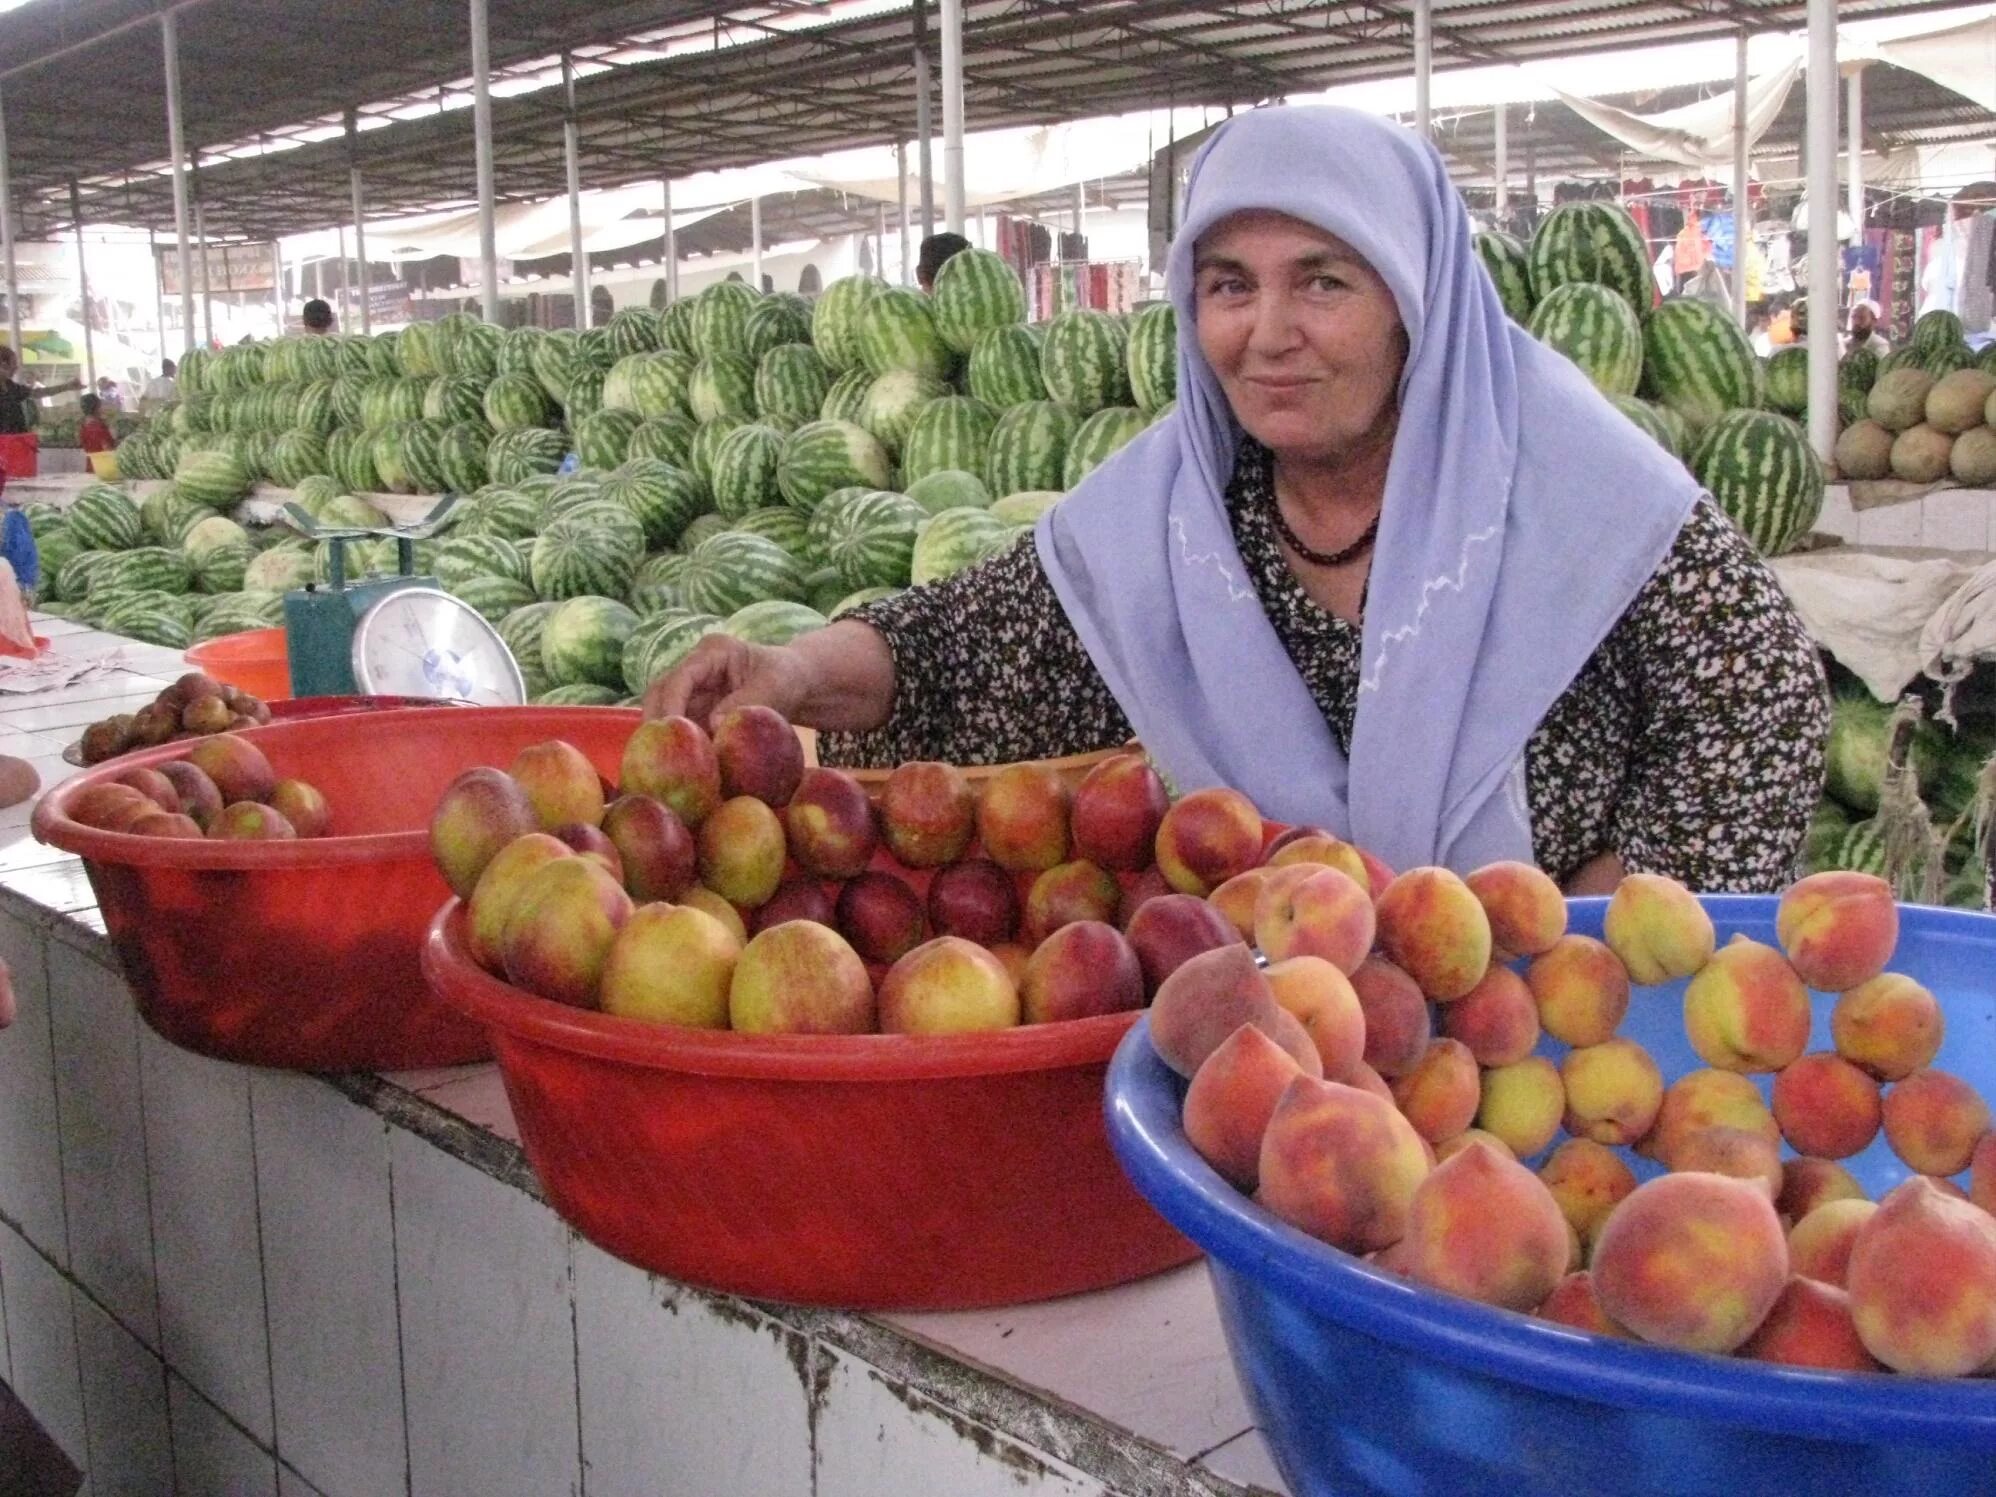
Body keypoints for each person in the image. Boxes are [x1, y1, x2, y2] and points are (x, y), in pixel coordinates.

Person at [648, 107, 1828, 892]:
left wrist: (1583, 935)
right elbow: (962, 648)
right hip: (1278, 1059)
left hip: (1564, 1084)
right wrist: (789, 675)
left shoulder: (1586, 494)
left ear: (1414, 296)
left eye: (1322, 281)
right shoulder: (1178, 515)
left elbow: (1760, 705)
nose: (1268, 336)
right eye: (1226, 286)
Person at [0, 347, 81, 435]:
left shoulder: (11, 386)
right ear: (3, 364)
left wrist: (67, 386)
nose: (16, 367)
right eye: (14, 363)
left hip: (16, 438)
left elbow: (37, 393)